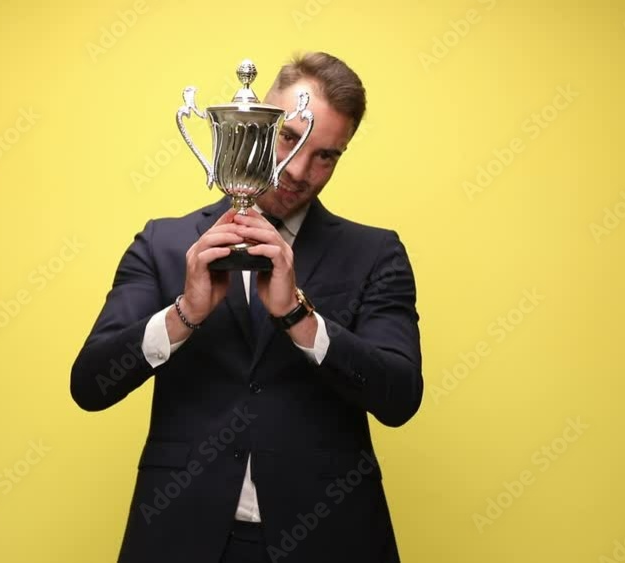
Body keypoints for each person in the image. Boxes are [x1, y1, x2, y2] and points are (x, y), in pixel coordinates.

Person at [71, 51, 423, 563]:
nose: (300, 170)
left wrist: (300, 318)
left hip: (330, 537)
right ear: (259, 121)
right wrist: (183, 315)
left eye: (325, 155)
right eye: (289, 137)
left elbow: (400, 398)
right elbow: (90, 385)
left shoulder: (376, 253)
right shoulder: (164, 244)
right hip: (180, 535)